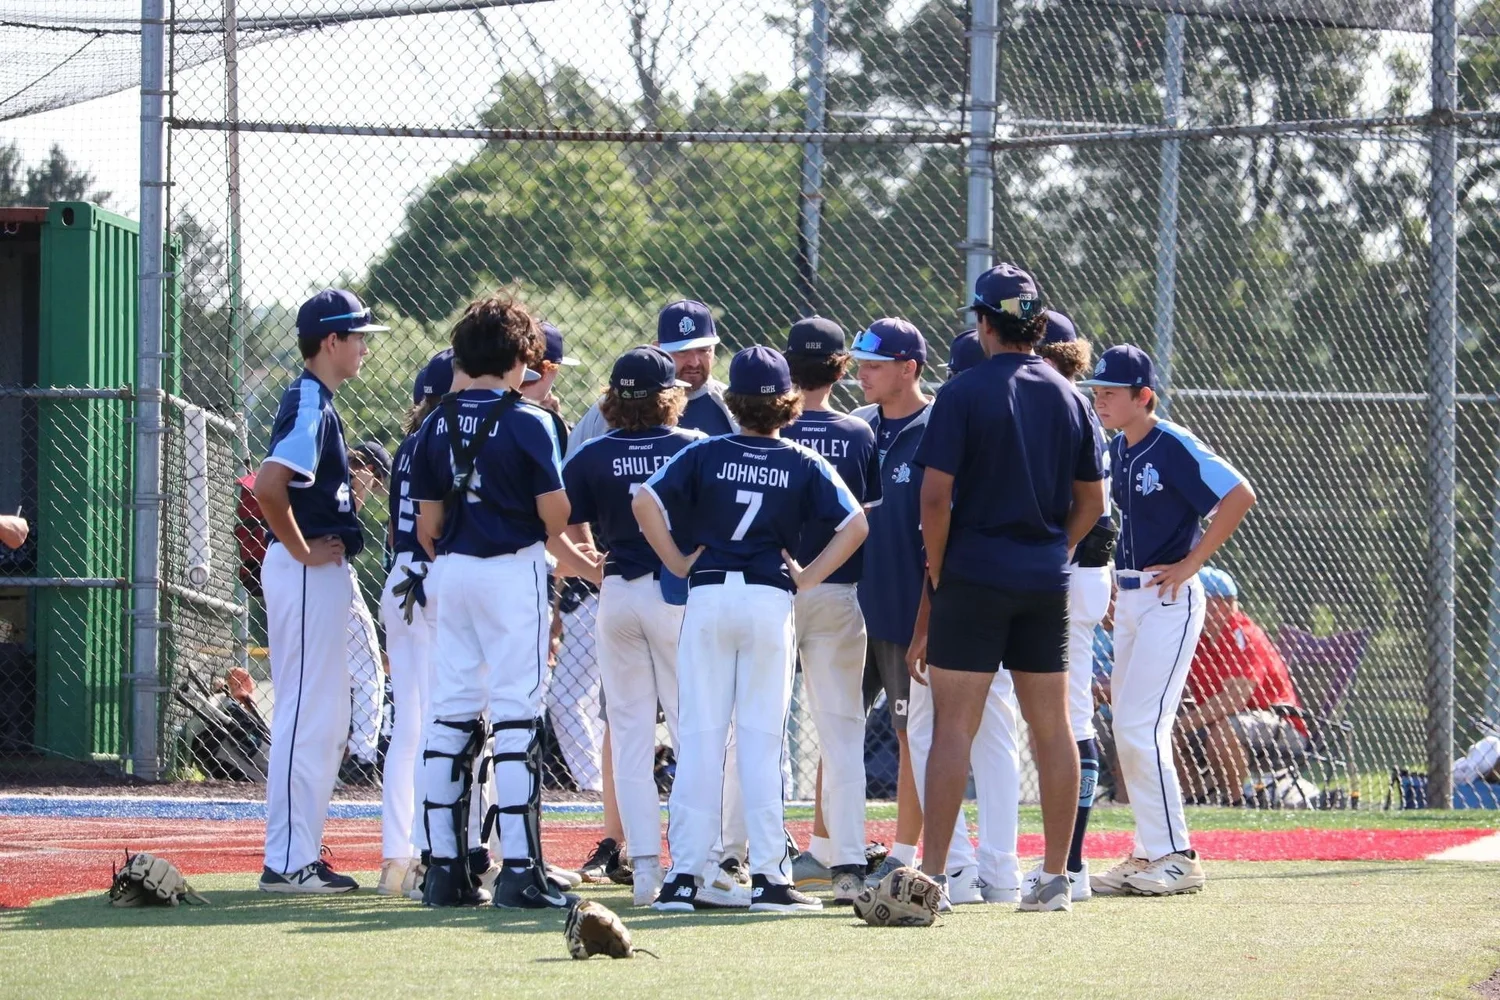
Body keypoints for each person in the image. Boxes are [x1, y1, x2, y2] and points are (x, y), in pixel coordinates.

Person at [634, 346, 869, 914]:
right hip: (768, 598)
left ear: (734, 401)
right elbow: (856, 522)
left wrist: (676, 561)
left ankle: (684, 878)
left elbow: (644, 499)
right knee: (761, 741)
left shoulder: (707, 450)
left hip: (710, 594)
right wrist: (809, 577)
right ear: (787, 401)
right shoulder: (801, 458)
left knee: (702, 741)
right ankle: (769, 878)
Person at [908, 264, 1106, 913]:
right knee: (1051, 729)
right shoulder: (1071, 397)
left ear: (984, 323)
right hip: (1042, 580)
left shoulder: (962, 393)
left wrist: (939, 570)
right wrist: (1057, 548)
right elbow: (1091, 502)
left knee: (952, 730)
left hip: (971, 575)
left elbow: (934, 500)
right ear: (1038, 323)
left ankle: (932, 879)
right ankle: (1053, 879)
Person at [408, 294, 601, 909]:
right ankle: (520, 870)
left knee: (451, 712)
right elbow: (555, 517)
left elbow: (428, 523)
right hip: (511, 567)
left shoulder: (434, 420)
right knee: (518, 714)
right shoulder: (530, 420)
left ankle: (444, 869)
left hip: (452, 571)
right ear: (522, 356)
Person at [1081, 344, 1256, 897]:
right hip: (1131, 598)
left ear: (1144, 396)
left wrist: (1193, 562)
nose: (1102, 399)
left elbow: (1238, 494)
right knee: (1130, 728)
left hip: (1170, 598)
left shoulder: (1171, 442)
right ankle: (1152, 851)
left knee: (1139, 726)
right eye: (1098, 391)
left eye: (1112, 392)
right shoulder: (1115, 449)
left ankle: (1177, 856)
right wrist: (1109, 581)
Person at [562, 345, 706, 906]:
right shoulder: (695, 447)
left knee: (627, 731)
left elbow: (551, 526)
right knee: (692, 727)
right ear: (671, 396)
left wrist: (588, 566)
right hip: (675, 594)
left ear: (613, 401)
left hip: (617, 591)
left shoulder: (592, 453)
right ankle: (690, 862)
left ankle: (643, 867)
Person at [254, 288, 383, 894]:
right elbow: (269, 486)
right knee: (306, 713)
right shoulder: (308, 399)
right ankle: (286, 860)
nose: (363, 345)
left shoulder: (319, 401)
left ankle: (299, 851)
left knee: (325, 717)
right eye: (357, 336)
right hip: (303, 570)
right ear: (330, 342)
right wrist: (304, 549)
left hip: (314, 570)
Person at [777, 317, 881, 903]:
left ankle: (754, 858)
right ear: (841, 368)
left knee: (758, 727)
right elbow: (862, 520)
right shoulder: (857, 433)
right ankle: (845, 864)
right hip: (839, 591)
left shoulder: (766, 431)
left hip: (772, 590)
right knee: (841, 730)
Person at [1031, 309, 1116, 901]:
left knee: (1071, 719)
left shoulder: (1059, 407)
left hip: (1074, 568)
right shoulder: (1068, 405)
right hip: (1078, 569)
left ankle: (1073, 863)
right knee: (1061, 717)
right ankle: (1069, 862)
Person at [848, 319, 931, 886]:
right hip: (851, 610)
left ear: (910, 368)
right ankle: (838, 850)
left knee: (910, 738)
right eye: (859, 363)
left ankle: (903, 854)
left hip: (906, 611)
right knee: (839, 727)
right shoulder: (857, 429)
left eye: (874, 365)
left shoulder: (938, 428)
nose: (862, 374)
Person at [1175, 566, 1307, 805]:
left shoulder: (1243, 634)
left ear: (1220, 605)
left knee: (1224, 730)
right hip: (1227, 720)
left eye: (1193, 598)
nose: (1186, 604)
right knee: (1163, 729)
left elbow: (1234, 698)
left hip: (1281, 724)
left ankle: (1236, 803)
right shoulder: (1198, 638)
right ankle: (1191, 801)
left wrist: (1183, 725)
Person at [569, 300, 736, 448]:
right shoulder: (619, 401)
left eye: (703, 351)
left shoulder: (731, 405)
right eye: (681, 352)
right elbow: (571, 465)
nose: (694, 362)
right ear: (658, 349)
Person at [342, 439, 394, 788]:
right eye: (378, 481)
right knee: (370, 673)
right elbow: (346, 525)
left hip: (295, 572)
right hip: (332, 573)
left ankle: (339, 754)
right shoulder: (349, 479)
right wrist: (360, 485)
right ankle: (361, 756)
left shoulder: (325, 466)